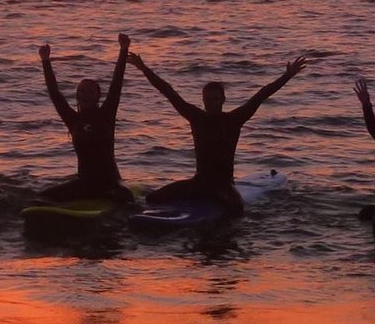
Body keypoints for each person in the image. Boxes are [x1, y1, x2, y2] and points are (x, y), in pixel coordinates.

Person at [129, 51, 308, 214]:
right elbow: (168, 92)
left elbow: (261, 95)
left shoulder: (234, 119)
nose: (211, 103)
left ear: (223, 100)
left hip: (223, 186)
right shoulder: (196, 117)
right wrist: (144, 68)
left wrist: (287, 76)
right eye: (207, 100)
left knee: (237, 210)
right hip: (198, 183)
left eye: (215, 99)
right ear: (203, 100)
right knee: (151, 199)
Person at [38, 34, 134, 205]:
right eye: (82, 91)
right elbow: (54, 93)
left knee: (127, 199)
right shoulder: (72, 119)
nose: (85, 95)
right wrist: (45, 61)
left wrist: (123, 50)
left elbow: (116, 83)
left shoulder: (106, 114)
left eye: (90, 92)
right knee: (42, 197)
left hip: (110, 182)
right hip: (84, 183)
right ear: (77, 95)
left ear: (98, 96)